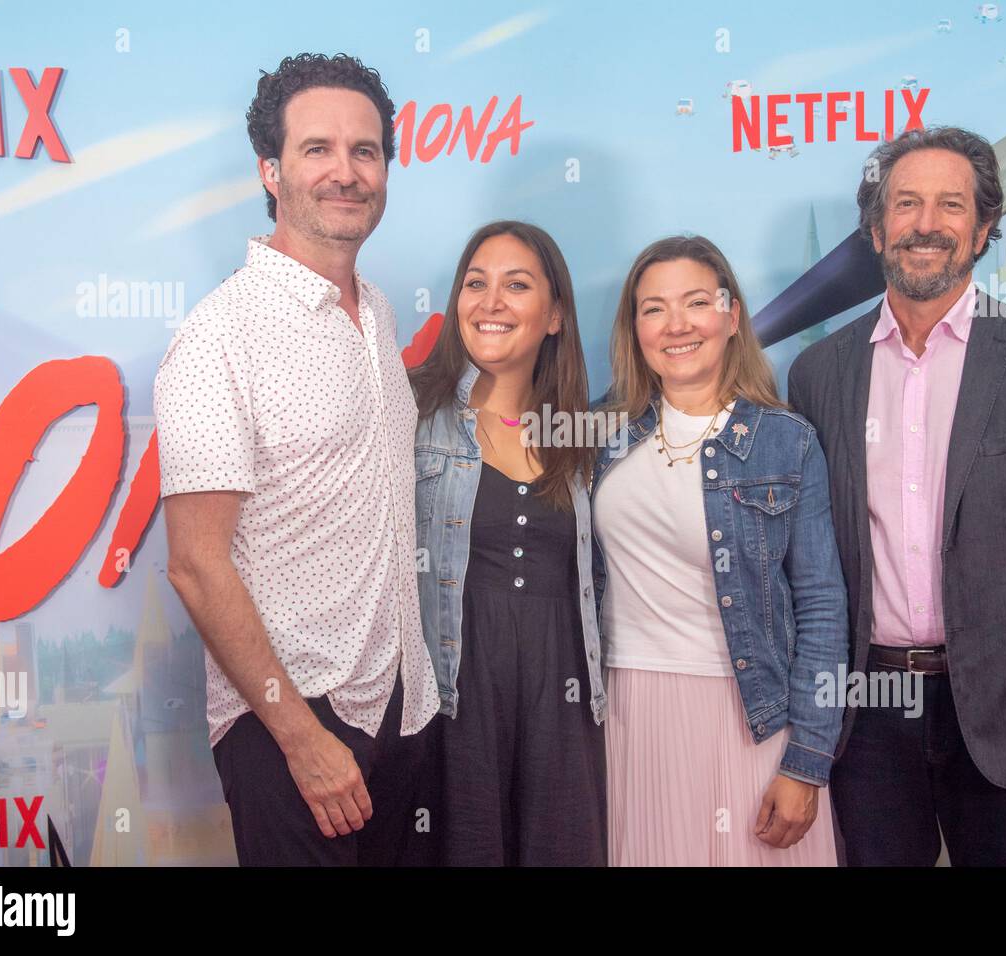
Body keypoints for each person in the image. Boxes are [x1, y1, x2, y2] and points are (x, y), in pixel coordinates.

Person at [786, 126, 1006, 866]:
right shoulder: (817, 374)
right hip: (864, 717)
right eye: (906, 204)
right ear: (876, 229)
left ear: (984, 226)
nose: (927, 224)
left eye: (950, 205)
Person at [153, 53, 439, 866]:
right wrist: (301, 738)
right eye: (318, 150)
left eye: (366, 151)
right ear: (271, 171)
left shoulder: (375, 314)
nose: (345, 173)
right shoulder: (221, 337)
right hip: (290, 726)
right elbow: (197, 568)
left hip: (403, 710)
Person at [592, 234, 849, 866]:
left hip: (749, 716)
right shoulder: (598, 439)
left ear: (731, 316)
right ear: (634, 328)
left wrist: (808, 761)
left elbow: (821, 607)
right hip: (626, 715)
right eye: (653, 308)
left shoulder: (787, 442)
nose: (676, 325)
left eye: (697, 302)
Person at [409, 221, 607, 866]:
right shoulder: (410, 413)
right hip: (455, 694)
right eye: (476, 283)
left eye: (516, 285)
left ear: (554, 315)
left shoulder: (586, 435)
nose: (490, 302)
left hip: (565, 699)